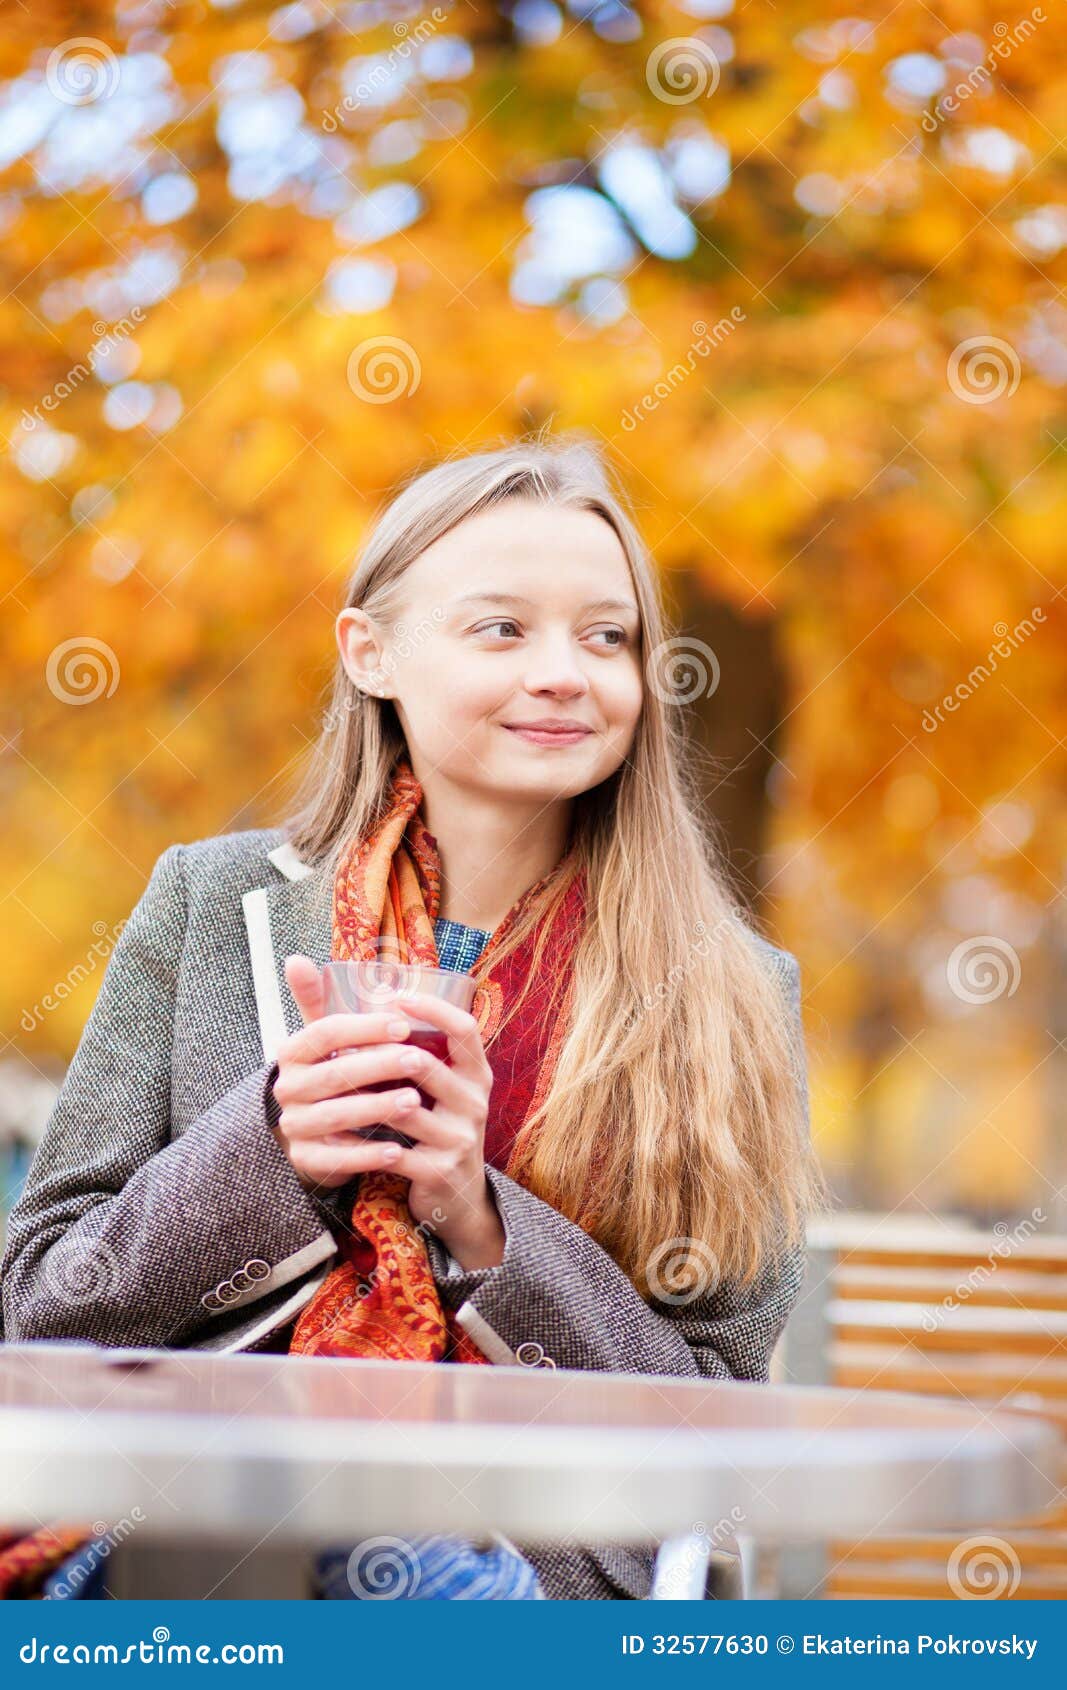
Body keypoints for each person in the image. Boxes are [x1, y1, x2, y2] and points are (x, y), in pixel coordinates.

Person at [1, 431, 828, 1599]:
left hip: (532, 1568)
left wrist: (482, 1221)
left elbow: (713, 1414)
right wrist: (268, 1150)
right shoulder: (210, 902)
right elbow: (36, 1305)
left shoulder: (735, 988)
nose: (564, 672)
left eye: (608, 636)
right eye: (502, 627)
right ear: (371, 651)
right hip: (180, 1525)